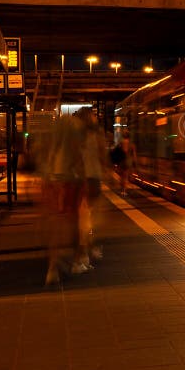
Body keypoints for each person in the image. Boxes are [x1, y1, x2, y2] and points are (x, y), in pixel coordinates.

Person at [39, 114, 85, 285]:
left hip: (52, 182)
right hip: (69, 181)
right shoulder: (74, 135)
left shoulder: (52, 137)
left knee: (54, 227)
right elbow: (77, 158)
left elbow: (45, 158)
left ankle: (52, 269)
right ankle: (76, 262)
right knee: (74, 223)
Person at [73, 107, 109, 272]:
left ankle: (86, 252)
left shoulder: (77, 137)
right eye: (93, 115)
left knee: (84, 219)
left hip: (82, 180)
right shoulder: (96, 135)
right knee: (89, 219)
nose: (96, 117)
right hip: (92, 180)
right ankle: (83, 254)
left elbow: (76, 160)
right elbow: (103, 157)